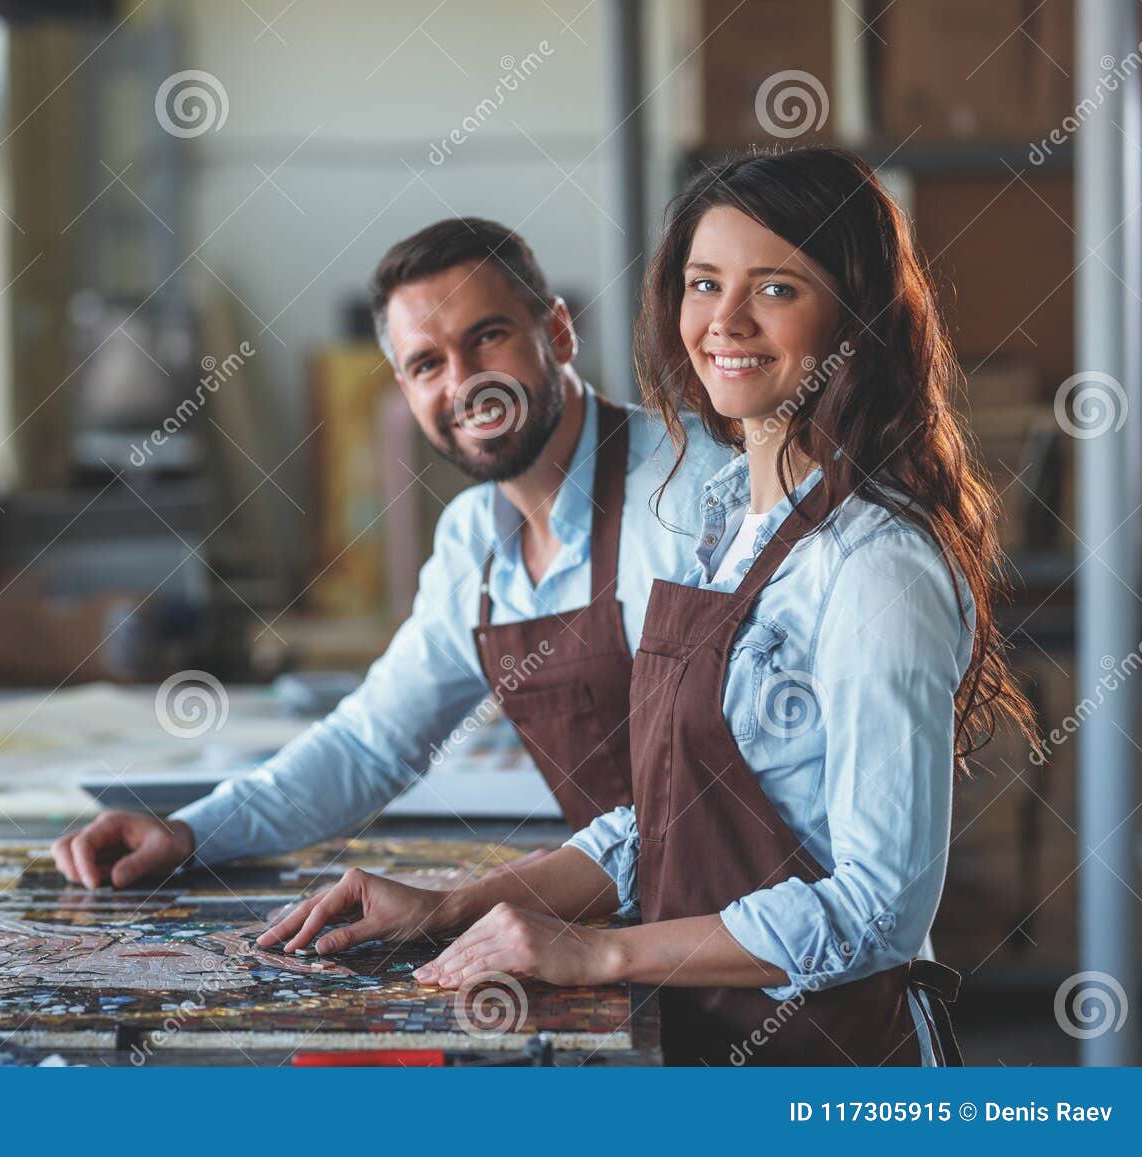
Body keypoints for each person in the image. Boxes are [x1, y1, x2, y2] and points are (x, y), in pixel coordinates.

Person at [260, 148, 1036, 1067]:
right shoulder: (723, 523)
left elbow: (880, 907)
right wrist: (450, 907)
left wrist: (599, 949)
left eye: (777, 289)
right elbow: (659, 824)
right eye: (705, 283)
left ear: (856, 319)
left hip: (829, 1061)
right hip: (700, 1036)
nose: (726, 321)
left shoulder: (876, 565)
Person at [51, 217, 733, 889]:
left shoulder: (699, 490)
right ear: (405, 388)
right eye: (427, 364)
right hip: (633, 919)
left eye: (487, 337)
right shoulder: (474, 543)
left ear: (556, 332)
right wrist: (190, 831)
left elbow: (753, 784)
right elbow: (370, 745)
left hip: (756, 936)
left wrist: (483, 900)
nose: (465, 382)